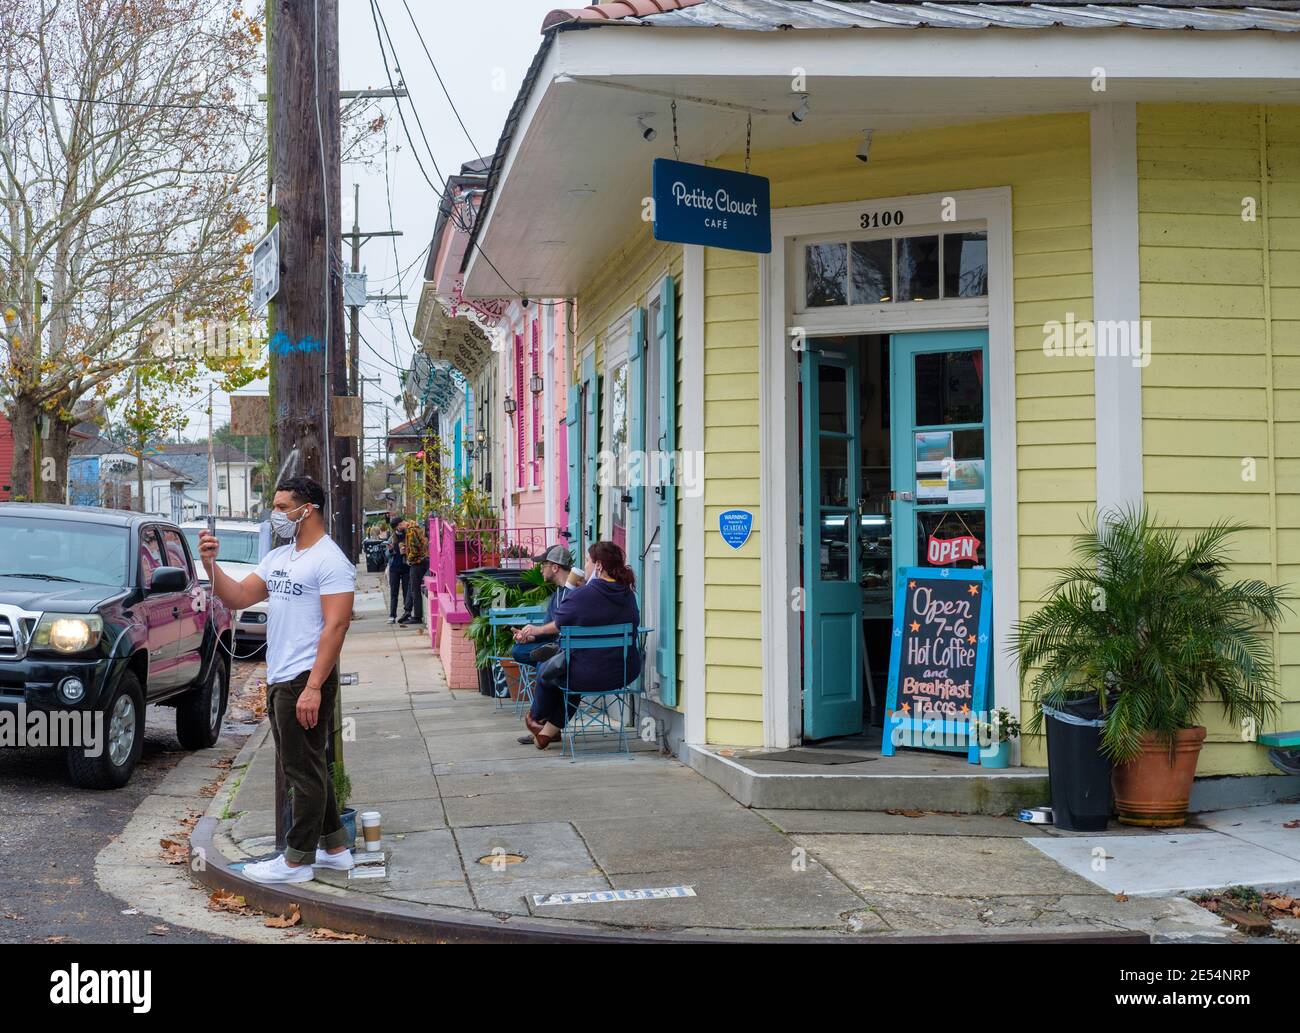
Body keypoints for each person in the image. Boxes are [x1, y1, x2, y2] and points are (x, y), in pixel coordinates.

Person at [199, 475, 357, 884]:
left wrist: (313, 687)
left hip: (305, 676)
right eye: (275, 505)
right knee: (308, 763)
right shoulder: (280, 558)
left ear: (309, 509)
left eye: (283, 506)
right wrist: (209, 565)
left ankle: (297, 860)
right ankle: (335, 848)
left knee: (300, 771)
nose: (277, 514)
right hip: (281, 674)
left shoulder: (330, 560)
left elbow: (336, 627)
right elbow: (236, 597)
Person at [515, 541, 640, 750]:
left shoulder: (581, 595)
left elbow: (560, 620)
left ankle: (534, 718)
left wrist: (575, 589)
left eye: (588, 562)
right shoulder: (628, 595)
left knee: (550, 673)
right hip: (624, 671)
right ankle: (546, 734)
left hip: (585, 674)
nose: (586, 566)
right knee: (571, 679)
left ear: (598, 565)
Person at [508, 544, 585, 745]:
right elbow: (547, 630)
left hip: (574, 651)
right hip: (555, 647)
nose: (540, 569)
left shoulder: (576, 591)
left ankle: (538, 721)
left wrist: (538, 631)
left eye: (543, 565)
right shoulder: (555, 596)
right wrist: (529, 637)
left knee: (548, 669)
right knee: (518, 651)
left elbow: (566, 623)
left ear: (555, 567)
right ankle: (549, 727)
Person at [396, 516, 429, 626]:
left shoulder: (410, 531)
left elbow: (415, 548)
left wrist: (409, 559)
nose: (400, 530)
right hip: (424, 560)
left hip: (417, 562)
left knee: (415, 590)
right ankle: (409, 611)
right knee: (413, 588)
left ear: (400, 524)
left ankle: (417, 616)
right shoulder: (416, 527)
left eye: (398, 527)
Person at [386, 514, 410, 625]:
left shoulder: (408, 535)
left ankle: (406, 614)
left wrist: (408, 551)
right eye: (400, 523)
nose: (403, 524)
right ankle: (392, 615)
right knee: (394, 592)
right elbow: (386, 554)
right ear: (396, 527)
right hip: (394, 568)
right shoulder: (392, 538)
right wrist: (391, 550)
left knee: (407, 592)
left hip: (406, 567)